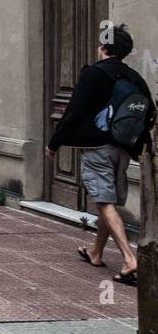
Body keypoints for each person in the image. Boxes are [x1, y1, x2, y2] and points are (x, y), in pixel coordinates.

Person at [47, 24, 155, 286]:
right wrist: (143, 148)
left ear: (104, 48)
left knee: (104, 202)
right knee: (108, 201)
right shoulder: (133, 77)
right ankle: (96, 252)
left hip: (97, 148)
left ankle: (130, 259)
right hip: (123, 149)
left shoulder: (93, 74)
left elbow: (74, 112)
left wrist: (54, 144)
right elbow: (149, 113)